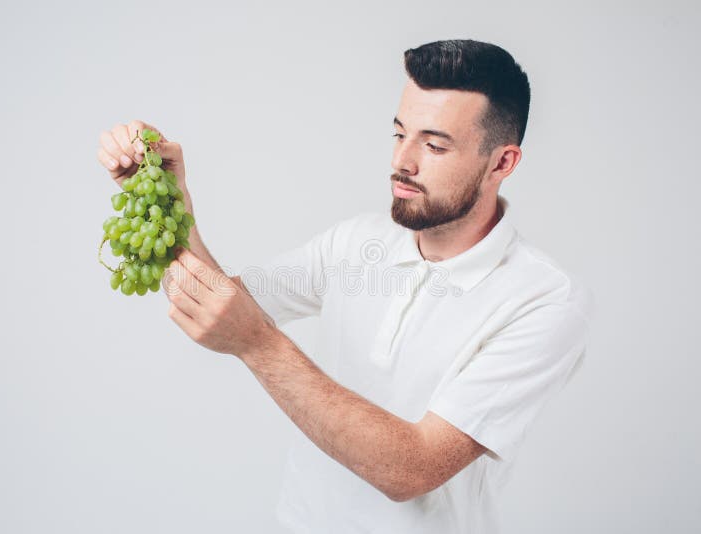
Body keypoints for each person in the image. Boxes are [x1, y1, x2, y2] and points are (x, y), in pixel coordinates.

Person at [96, 38, 595, 534]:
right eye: (399, 134)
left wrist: (258, 344)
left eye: (435, 145)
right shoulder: (355, 242)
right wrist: (170, 200)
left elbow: (414, 470)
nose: (404, 161)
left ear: (502, 163)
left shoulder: (544, 300)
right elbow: (220, 306)